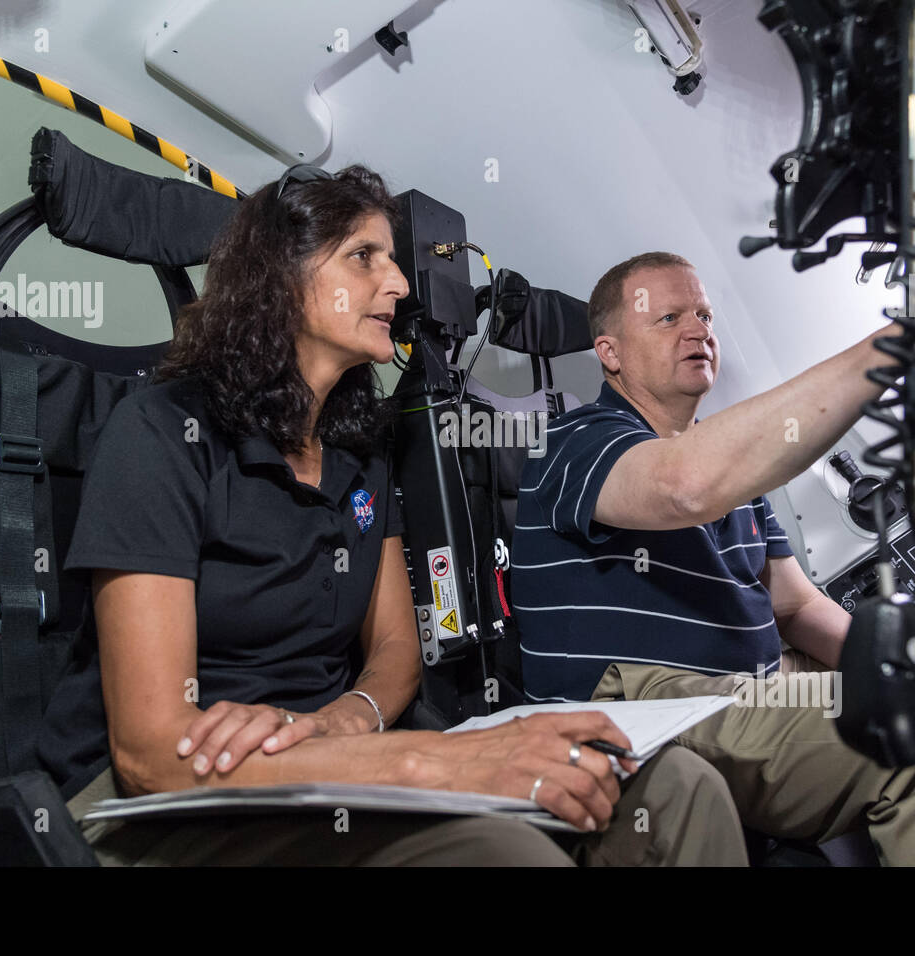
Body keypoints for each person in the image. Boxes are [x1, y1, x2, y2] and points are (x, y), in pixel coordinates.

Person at [37, 171, 747, 866]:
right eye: (363, 256)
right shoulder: (161, 434)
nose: (400, 283)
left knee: (678, 790)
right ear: (280, 276)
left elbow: (396, 651)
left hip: (334, 758)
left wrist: (344, 719)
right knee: (502, 855)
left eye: (392, 258)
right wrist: (428, 761)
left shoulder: (357, 455)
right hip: (182, 795)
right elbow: (149, 756)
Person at [511, 251, 915, 866]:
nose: (699, 330)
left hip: (761, 682)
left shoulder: (730, 466)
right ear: (610, 353)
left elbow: (792, 604)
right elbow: (681, 487)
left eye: (705, 314)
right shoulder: (577, 441)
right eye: (667, 318)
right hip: (653, 700)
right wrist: (896, 348)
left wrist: (892, 664)